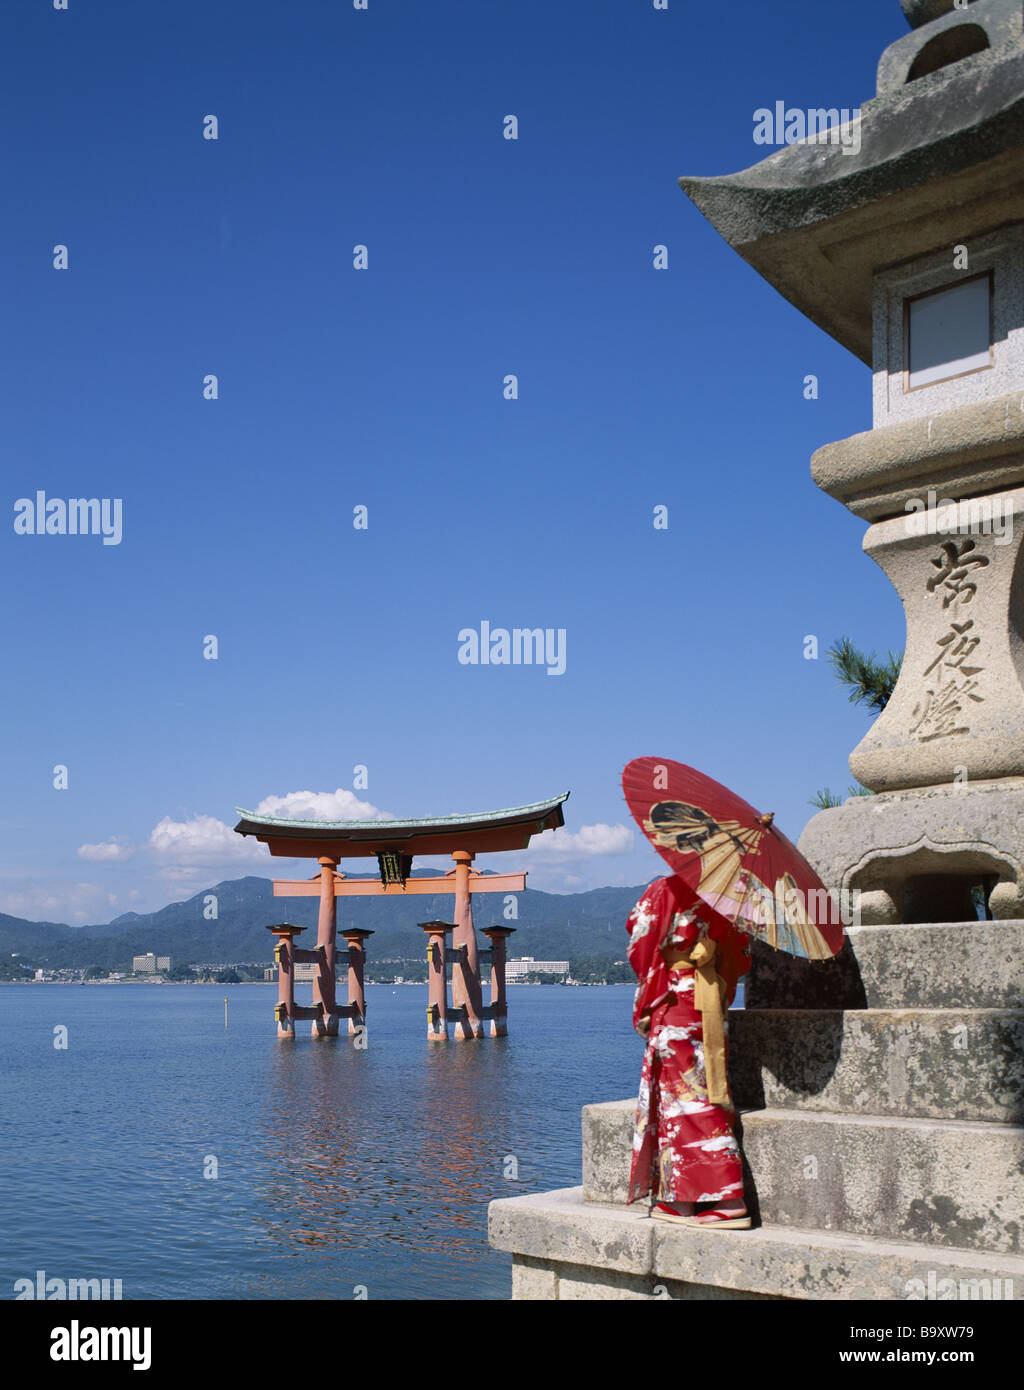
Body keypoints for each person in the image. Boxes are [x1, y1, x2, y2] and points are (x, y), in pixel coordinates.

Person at [625, 872, 752, 1227]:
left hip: (678, 998)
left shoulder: (668, 887)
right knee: (706, 1089)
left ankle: (724, 1199)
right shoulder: (732, 894)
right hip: (709, 997)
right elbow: (741, 955)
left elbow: (641, 938)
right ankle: (682, 1198)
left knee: (684, 1097)